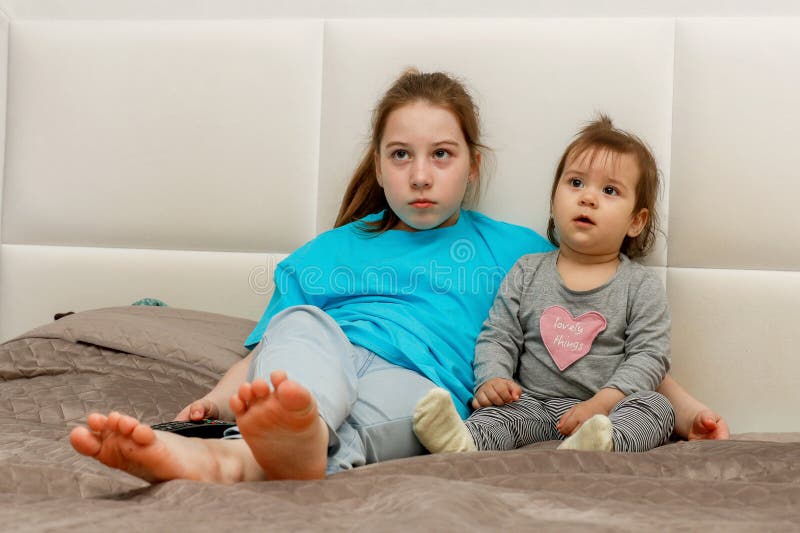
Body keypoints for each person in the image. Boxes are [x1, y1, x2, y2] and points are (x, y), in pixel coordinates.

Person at [69, 70, 729, 485]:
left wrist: (691, 408)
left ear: (472, 166)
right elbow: (264, 350)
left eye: (441, 155)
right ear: (379, 167)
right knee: (302, 329)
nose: (420, 175)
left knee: (394, 415)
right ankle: (250, 443)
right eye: (401, 156)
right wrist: (214, 402)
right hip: (322, 359)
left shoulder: (521, 253)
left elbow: (618, 342)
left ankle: (235, 459)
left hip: (423, 387)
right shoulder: (325, 253)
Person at [414, 116, 694, 454]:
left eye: (609, 190)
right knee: (498, 414)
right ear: (553, 200)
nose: (588, 198)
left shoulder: (640, 287)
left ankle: (603, 445)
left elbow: (649, 358)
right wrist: (493, 379)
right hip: (533, 404)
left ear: (636, 221)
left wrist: (601, 405)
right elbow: (498, 335)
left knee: (656, 407)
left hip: (607, 411)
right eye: (576, 183)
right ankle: (464, 441)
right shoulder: (527, 271)